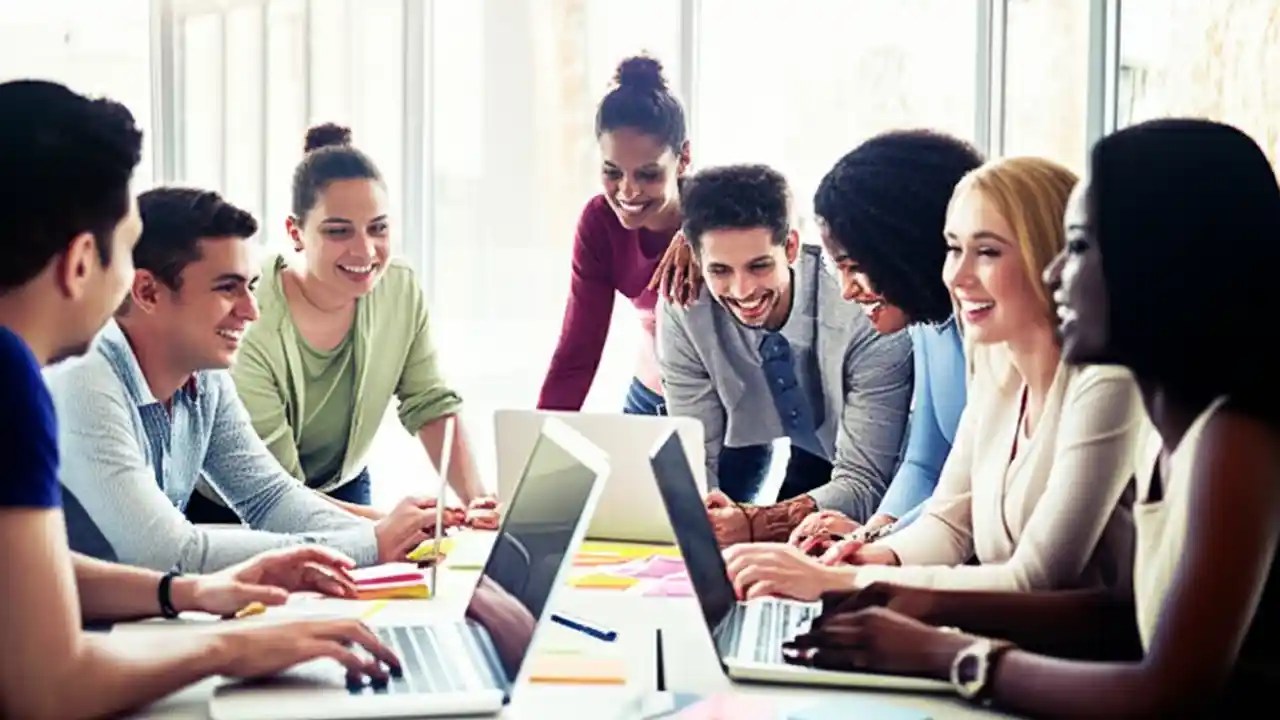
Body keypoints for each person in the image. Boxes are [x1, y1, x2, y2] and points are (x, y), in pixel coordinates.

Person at [779, 119, 1280, 715]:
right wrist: (907, 600)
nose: (1053, 272)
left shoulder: (1233, 438)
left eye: (1081, 247)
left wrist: (946, 652)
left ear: (1161, 258)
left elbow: (1167, 689)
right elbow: (1121, 612)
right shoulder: (1173, 428)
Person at [0, 79, 396, 720]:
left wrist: (188, 592)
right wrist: (233, 647)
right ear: (80, 262)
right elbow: (50, 689)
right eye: (127, 251)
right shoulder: (16, 379)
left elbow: (21, 573)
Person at [724, 156, 1144, 599]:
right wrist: (868, 555)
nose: (957, 276)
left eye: (987, 252)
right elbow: (949, 522)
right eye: (953, 249)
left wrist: (840, 581)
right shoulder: (994, 361)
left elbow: (1036, 578)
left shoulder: (1105, 385)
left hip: (1069, 658)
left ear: (1049, 255)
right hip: (999, 637)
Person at [51, 186, 457, 572]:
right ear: (148, 292)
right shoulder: (84, 379)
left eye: (252, 288)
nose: (251, 311)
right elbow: (167, 554)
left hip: (136, 626)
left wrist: (400, 538)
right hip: (66, 635)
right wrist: (370, 545)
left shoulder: (204, 377)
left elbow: (268, 497)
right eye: (228, 288)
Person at [182, 123, 496, 529]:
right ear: (296, 233)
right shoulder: (248, 315)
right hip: (235, 510)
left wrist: (476, 503)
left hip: (342, 489)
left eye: (378, 228)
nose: (365, 250)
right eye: (338, 231)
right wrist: (394, 525)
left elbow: (431, 405)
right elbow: (275, 494)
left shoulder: (398, 288)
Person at [658, 163, 914, 541]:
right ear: (695, 259)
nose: (742, 289)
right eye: (720, 270)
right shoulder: (684, 308)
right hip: (788, 443)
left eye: (759, 266)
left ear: (791, 247)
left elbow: (865, 482)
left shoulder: (864, 311)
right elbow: (696, 466)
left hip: (878, 470)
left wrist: (750, 523)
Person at [788, 130, 983, 554]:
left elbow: (973, 494)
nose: (846, 290)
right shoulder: (926, 323)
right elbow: (925, 461)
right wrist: (868, 534)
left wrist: (878, 546)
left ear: (906, 250)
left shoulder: (993, 335)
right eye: (836, 267)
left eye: (855, 266)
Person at [538, 54, 706, 416]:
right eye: (612, 172)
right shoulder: (600, 224)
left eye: (648, 174)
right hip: (647, 400)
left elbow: (785, 212)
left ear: (684, 158)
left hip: (722, 415)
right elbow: (577, 351)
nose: (628, 192)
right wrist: (535, 447)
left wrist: (697, 230)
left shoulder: (717, 210)